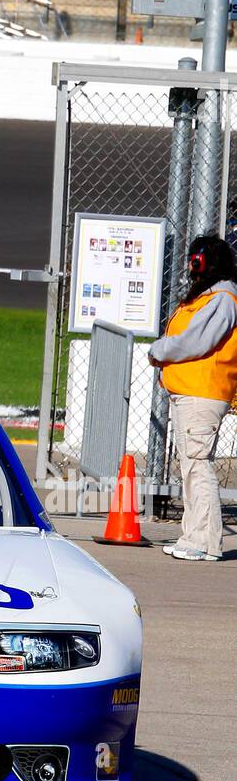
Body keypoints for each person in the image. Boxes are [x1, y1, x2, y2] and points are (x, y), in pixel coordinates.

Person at [148, 234, 237, 560]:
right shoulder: (209, 296)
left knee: (199, 466)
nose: (191, 267)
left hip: (203, 394)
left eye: (196, 261)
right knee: (191, 467)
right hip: (191, 392)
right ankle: (193, 537)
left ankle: (206, 542)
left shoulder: (223, 298)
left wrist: (160, 351)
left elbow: (196, 341)